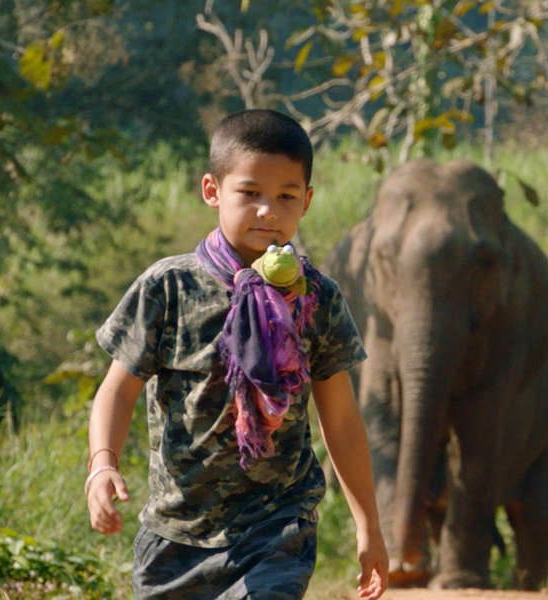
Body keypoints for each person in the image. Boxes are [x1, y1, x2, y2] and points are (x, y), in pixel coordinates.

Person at [83, 109, 387, 600]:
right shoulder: (168, 287)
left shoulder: (317, 298)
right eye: (249, 194)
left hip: (276, 530)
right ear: (212, 191)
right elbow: (117, 390)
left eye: (286, 196)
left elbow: (341, 418)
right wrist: (102, 464)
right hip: (175, 536)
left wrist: (368, 525)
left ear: (306, 201)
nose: (268, 210)